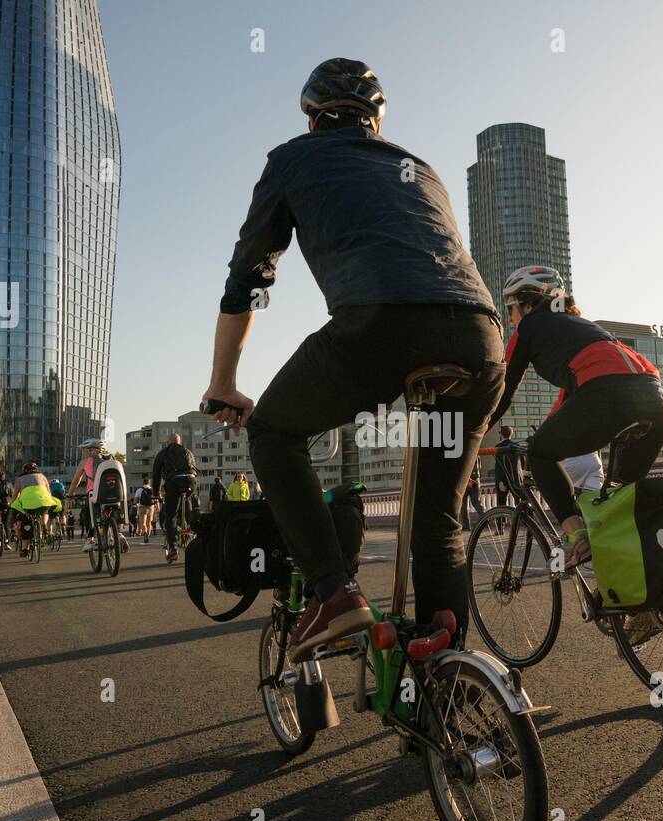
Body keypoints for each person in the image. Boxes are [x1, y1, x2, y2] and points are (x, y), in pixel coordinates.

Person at [203, 58, 504, 655]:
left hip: (379, 325)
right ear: (377, 119)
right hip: (478, 337)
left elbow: (248, 280)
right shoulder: (419, 168)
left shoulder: (290, 160)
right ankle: (447, 671)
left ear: (312, 119)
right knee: (439, 518)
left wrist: (224, 383)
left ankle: (334, 593)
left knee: (272, 433)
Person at [490, 265, 663, 566]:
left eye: (511, 308)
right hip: (655, 399)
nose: (510, 318)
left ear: (529, 304)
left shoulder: (530, 328)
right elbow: (569, 401)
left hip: (606, 395)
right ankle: (640, 604)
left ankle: (575, 536)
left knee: (539, 453)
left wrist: (477, 430)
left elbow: (503, 388)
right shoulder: (582, 329)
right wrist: (549, 428)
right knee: (618, 506)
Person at [151, 433, 198, 562]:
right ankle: (189, 528)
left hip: (174, 482)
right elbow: (194, 469)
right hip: (191, 480)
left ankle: (172, 548)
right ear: (180, 442)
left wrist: (156, 494)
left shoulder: (163, 453)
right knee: (187, 498)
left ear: (168, 442)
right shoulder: (188, 452)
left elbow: (156, 475)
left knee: (170, 514)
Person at [8, 462, 61, 556]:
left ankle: (25, 548)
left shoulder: (19, 479)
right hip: (43, 501)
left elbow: (15, 496)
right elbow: (48, 492)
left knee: (26, 522)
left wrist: (11, 505)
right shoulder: (42, 476)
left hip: (28, 504)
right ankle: (43, 524)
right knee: (45, 511)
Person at [66, 440, 104, 550]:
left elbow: (76, 480)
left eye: (84, 450)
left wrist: (70, 494)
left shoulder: (85, 462)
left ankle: (90, 540)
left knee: (88, 514)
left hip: (94, 492)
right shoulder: (110, 459)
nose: (83, 452)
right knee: (111, 509)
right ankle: (118, 534)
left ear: (91, 450)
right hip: (111, 491)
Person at [458, 460, 483, 531]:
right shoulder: (475, 453)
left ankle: (466, 526)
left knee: (464, 504)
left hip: (466, 480)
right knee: (476, 502)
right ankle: (484, 520)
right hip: (474, 480)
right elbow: (478, 467)